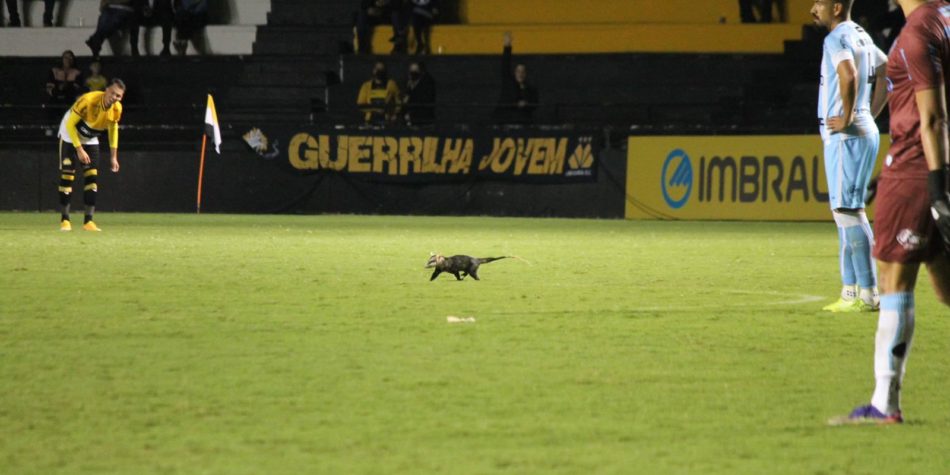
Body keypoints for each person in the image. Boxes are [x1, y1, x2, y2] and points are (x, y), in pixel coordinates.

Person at [829, 0, 950, 426]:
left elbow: (931, 118)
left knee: (894, 280)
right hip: (930, 165)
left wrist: (936, 188)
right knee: (946, 287)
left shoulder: (917, 31)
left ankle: (884, 402)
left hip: (919, 167)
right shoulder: (944, 18)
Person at [812, 0, 888, 313]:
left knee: (849, 211)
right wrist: (869, 113)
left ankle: (869, 293)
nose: (813, 9)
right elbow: (885, 69)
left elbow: (848, 74)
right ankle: (850, 291)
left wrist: (847, 117)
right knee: (845, 212)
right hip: (861, 130)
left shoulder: (837, 38)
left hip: (846, 137)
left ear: (837, 8)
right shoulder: (862, 35)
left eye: (819, 3)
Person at [56, 78, 125, 232]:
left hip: (90, 137)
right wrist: (79, 149)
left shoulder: (117, 109)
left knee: (92, 179)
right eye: (113, 93)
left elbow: (113, 130)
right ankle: (65, 220)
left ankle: (88, 222)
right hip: (70, 134)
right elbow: (70, 124)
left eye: (118, 96)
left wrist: (113, 157)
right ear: (106, 90)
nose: (114, 97)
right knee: (67, 176)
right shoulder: (88, 100)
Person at [493, 32, 539, 125]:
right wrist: (507, 46)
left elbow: (535, 104)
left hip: (523, 122)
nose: (520, 74)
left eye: (522, 72)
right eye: (518, 71)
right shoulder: (509, 83)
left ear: (525, 74)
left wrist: (526, 104)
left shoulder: (531, 89)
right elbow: (505, 65)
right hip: (504, 122)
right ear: (515, 73)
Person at [357, 61, 401, 125]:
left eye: (381, 70)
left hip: (387, 120)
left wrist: (395, 114)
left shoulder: (391, 84)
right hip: (370, 120)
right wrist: (375, 109)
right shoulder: (366, 86)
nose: (379, 71)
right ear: (373, 70)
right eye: (377, 69)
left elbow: (399, 102)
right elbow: (361, 104)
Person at [402, 61, 435, 126]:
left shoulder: (427, 83)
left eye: (414, 73)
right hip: (412, 121)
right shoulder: (410, 84)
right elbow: (405, 101)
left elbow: (423, 103)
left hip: (423, 121)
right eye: (410, 73)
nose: (411, 76)